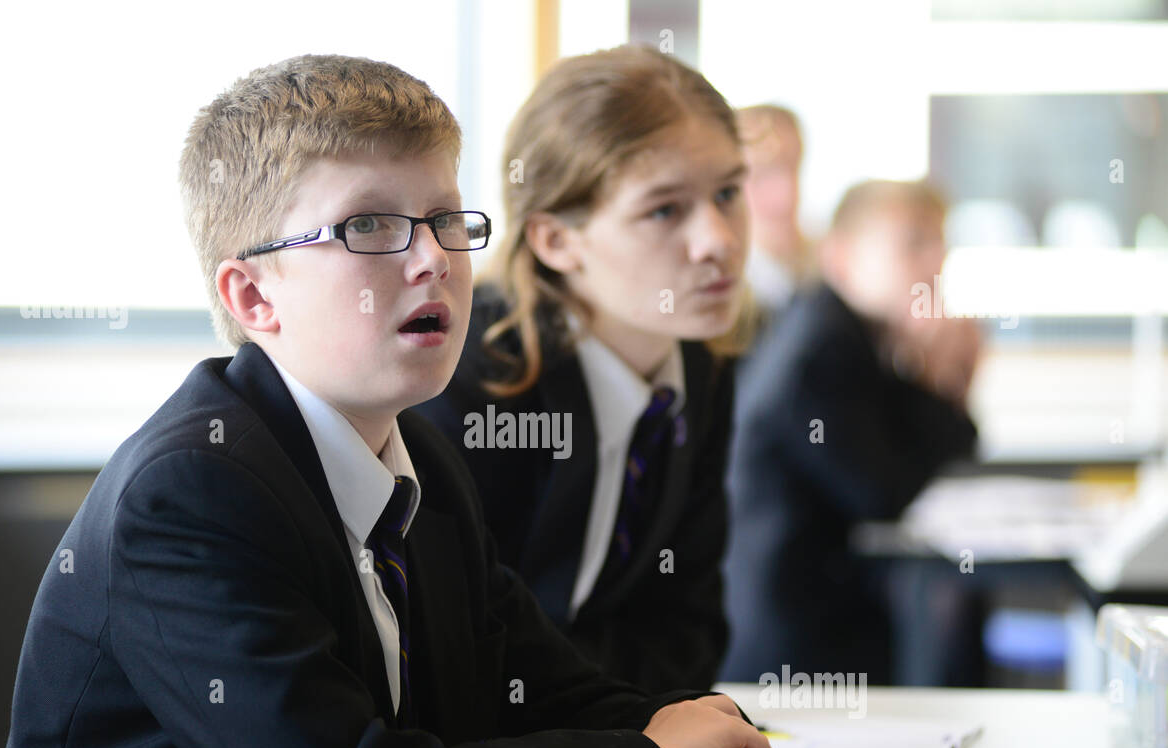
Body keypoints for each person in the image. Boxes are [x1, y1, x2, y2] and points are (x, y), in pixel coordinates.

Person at [0, 53, 856, 748]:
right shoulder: (192, 493)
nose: (433, 258)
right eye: (370, 225)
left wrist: (708, 745)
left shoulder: (420, 462)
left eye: (445, 218)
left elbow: (546, 685)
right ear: (253, 295)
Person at [417, 45, 746, 695]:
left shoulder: (701, 367)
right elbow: (466, 647)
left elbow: (689, 621)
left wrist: (672, 743)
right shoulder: (469, 378)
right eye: (664, 209)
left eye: (729, 192)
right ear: (556, 241)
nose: (720, 239)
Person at [721, 179, 980, 684]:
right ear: (841, 257)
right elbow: (883, 492)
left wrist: (941, 380)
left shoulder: (854, 334)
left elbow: (938, 457)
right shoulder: (821, 349)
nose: (934, 265)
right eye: (912, 244)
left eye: (939, 245)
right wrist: (934, 382)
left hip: (825, 625)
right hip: (790, 650)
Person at [736, 104, 817, 347]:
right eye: (761, 175)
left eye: (794, 168)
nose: (787, 194)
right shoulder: (715, 290)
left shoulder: (830, 267)